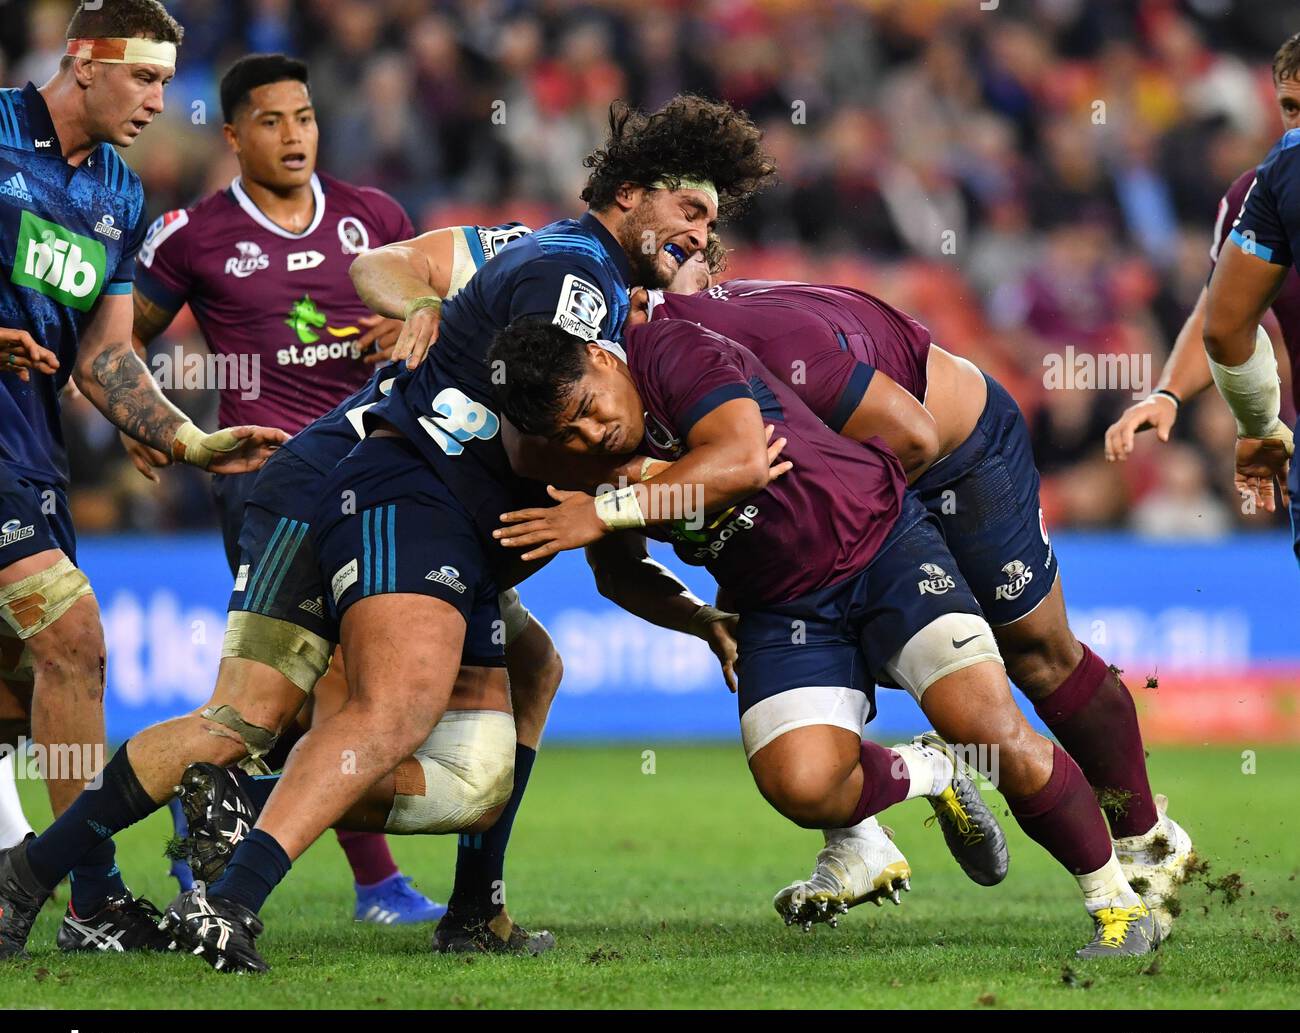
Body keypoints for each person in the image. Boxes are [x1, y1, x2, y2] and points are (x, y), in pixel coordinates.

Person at [159, 94, 778, 973]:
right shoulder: (575, 281)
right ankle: (229, 880)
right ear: (632, 194)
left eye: (713, 220)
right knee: (377, 714)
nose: (701, 233)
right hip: (409, 491)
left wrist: (664, 568)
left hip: (439, 498)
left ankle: (471, 906)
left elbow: (585, 493)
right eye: (689, 209)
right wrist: (638, 484)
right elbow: (548, 429)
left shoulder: (569, 264)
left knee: (532, 670)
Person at [488, 314, 1163, 960]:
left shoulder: (672, 352)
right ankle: (934, 771)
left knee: (986, 725)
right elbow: (620, 569)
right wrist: (700, 618)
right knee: (802, 784)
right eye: (567, 430)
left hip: (878, 546)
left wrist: (615, 502)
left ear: (603, 360)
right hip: (781, 606)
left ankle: (1120, 906)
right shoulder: (571, 461)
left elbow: (742, 461)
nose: (591, 431)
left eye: (589, 404)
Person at [641, 257, 1194, 936]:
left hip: (948, 453)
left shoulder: (758, 341)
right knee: (808, 626)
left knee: (1033, 654)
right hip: (847, 499)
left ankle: (1148, 841)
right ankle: (859, 839)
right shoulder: (615, 396)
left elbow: (908, 437)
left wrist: (854, 543)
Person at [127, 51, 439, 926]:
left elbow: (441, 314)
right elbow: (121, 339)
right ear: (232, 136)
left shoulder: (374, 218)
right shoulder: (191, 234)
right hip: (266, 481)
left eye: (303, 116)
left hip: (376, 472)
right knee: (319, 680)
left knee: (312, 692)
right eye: (271, 120)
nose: (294, 134)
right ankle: (371, 884)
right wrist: (142, 421)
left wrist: (413, 318)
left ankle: (228, 838)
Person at [0, 0, 285, 958]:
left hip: (30, 450)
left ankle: (61, 888)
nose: (164, 99)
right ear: (84, 62)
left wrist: (191, 439)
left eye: (169, 79)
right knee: (74, 639)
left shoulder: (119, 193)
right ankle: (86, 892)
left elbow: (107, 355)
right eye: (146, 77)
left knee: (19, 694)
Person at [1107, 31, 1300, 567]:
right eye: (1290, 107)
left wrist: (1258, 424)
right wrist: (1167, 394)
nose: (1298, 124)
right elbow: (1219, 318)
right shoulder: (1254, 198)